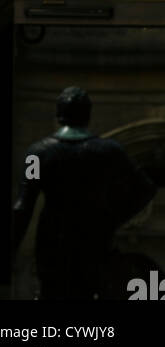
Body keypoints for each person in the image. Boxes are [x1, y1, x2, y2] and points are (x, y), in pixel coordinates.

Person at [13, 85, 155, 300]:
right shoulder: (109, 151)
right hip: (95, 238)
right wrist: (114, 218)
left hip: (53, 240)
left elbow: (23, 206)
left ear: (59, 116)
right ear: (88, 116)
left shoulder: (38, 153)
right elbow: (145, 188)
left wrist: (9, 249)